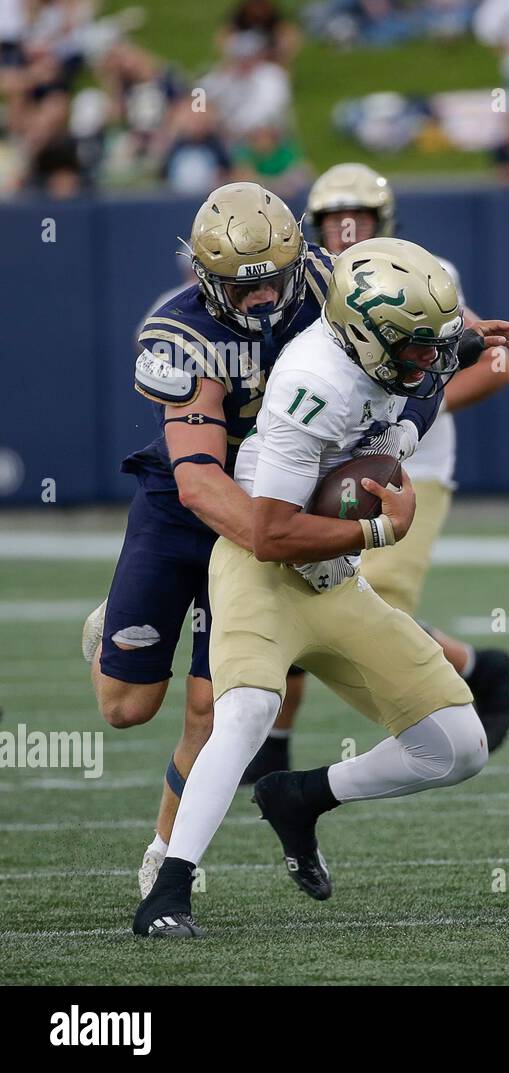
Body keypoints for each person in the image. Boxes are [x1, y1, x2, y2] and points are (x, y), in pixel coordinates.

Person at [131, 239, 504, 938]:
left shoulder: (380, 353)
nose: (433, 361)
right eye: (419, 347)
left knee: (459, 744)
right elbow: (270, 533)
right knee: (244, 711)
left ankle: (301, 796)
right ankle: (170, 889)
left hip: (335, 581)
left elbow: (414, 404)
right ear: (368, 338)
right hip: (260, 570)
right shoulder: (314, 388)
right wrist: (377, 534)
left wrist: (470, 340)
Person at [81, 183, 335, 898]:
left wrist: (460, 331)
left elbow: (402, 305)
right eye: (240, 287)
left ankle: (169, 852)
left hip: (261, 508)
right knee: (125, 708)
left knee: (210, 706)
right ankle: (113, 628)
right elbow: (198, 484)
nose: (261, 301)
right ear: (204, 275)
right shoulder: (178, 333)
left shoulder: (321, 278)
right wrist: (278, 534)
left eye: (272, 283)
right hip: (184, 504)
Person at [288, 161, 509, 766]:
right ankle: (271, 744)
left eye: (356, 218)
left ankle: (474, 673)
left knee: (375, 599)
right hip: (324, 460)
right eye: (333, 220)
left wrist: (413, 405)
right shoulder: (310, 280)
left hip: (408, 466)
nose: (345, 231)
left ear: (381, 220)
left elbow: (497, 364)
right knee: (297, 585)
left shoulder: (422, 272)